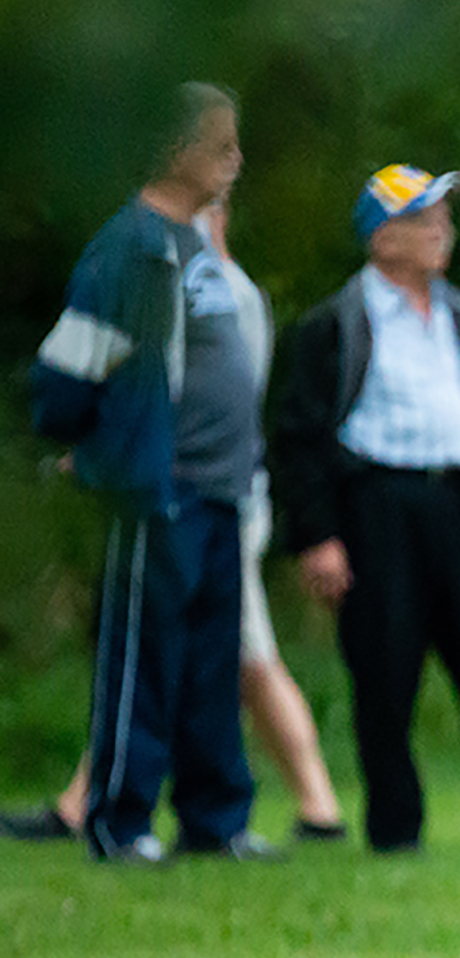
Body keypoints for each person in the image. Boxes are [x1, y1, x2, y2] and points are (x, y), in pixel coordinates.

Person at [2, 198, 348, 847]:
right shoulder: (177, 275)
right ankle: (100, 801)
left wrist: (116, 450)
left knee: (230, 654)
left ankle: (308, 805)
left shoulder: (223, 291)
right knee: (179, 653)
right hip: (201, 491)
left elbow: (205, 394)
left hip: (212, 495)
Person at [25, 82, 279, 863]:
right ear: (176, 150)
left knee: (212, 663)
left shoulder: (197, 244)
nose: (237, 158)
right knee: (143, 658)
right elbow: (68, 371)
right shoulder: (127, 247)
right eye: (221, 143)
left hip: (219, 492)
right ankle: (121, 820)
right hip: (156, 489)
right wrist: (95, 445)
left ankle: (215, 820)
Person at [275, 164, 460, 856]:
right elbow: (300, 440)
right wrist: (318, 536)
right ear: (381, 239)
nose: (440, 232)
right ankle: (396, 830)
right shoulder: (335, 323)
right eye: (423, 221)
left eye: (443, 218)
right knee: (385, 670)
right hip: (377, 507)